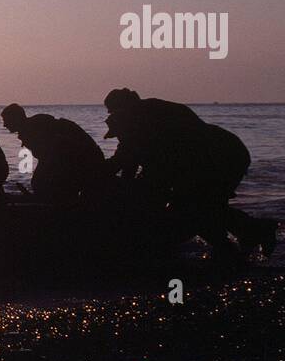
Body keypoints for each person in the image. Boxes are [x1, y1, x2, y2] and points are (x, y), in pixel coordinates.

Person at [101, 89, 275, 259]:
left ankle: (239, 240)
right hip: (221, 151)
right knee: (200, 205)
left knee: (193, 206)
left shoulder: (141, 121)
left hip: (220, 156)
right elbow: (130, 165)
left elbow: (130, 165)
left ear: (122, 108)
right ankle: (242, 238)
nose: (113, 118)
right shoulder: (146, 115)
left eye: (113, 113)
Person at [0, 103, 106, 204]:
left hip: (84, 162)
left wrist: (39, 184)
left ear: (15, 119)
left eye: (6, 120)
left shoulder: (34, 130)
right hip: (82, 160)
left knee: (44, 183)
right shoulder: (34, 126)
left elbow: (52, 158)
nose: (4, 125)